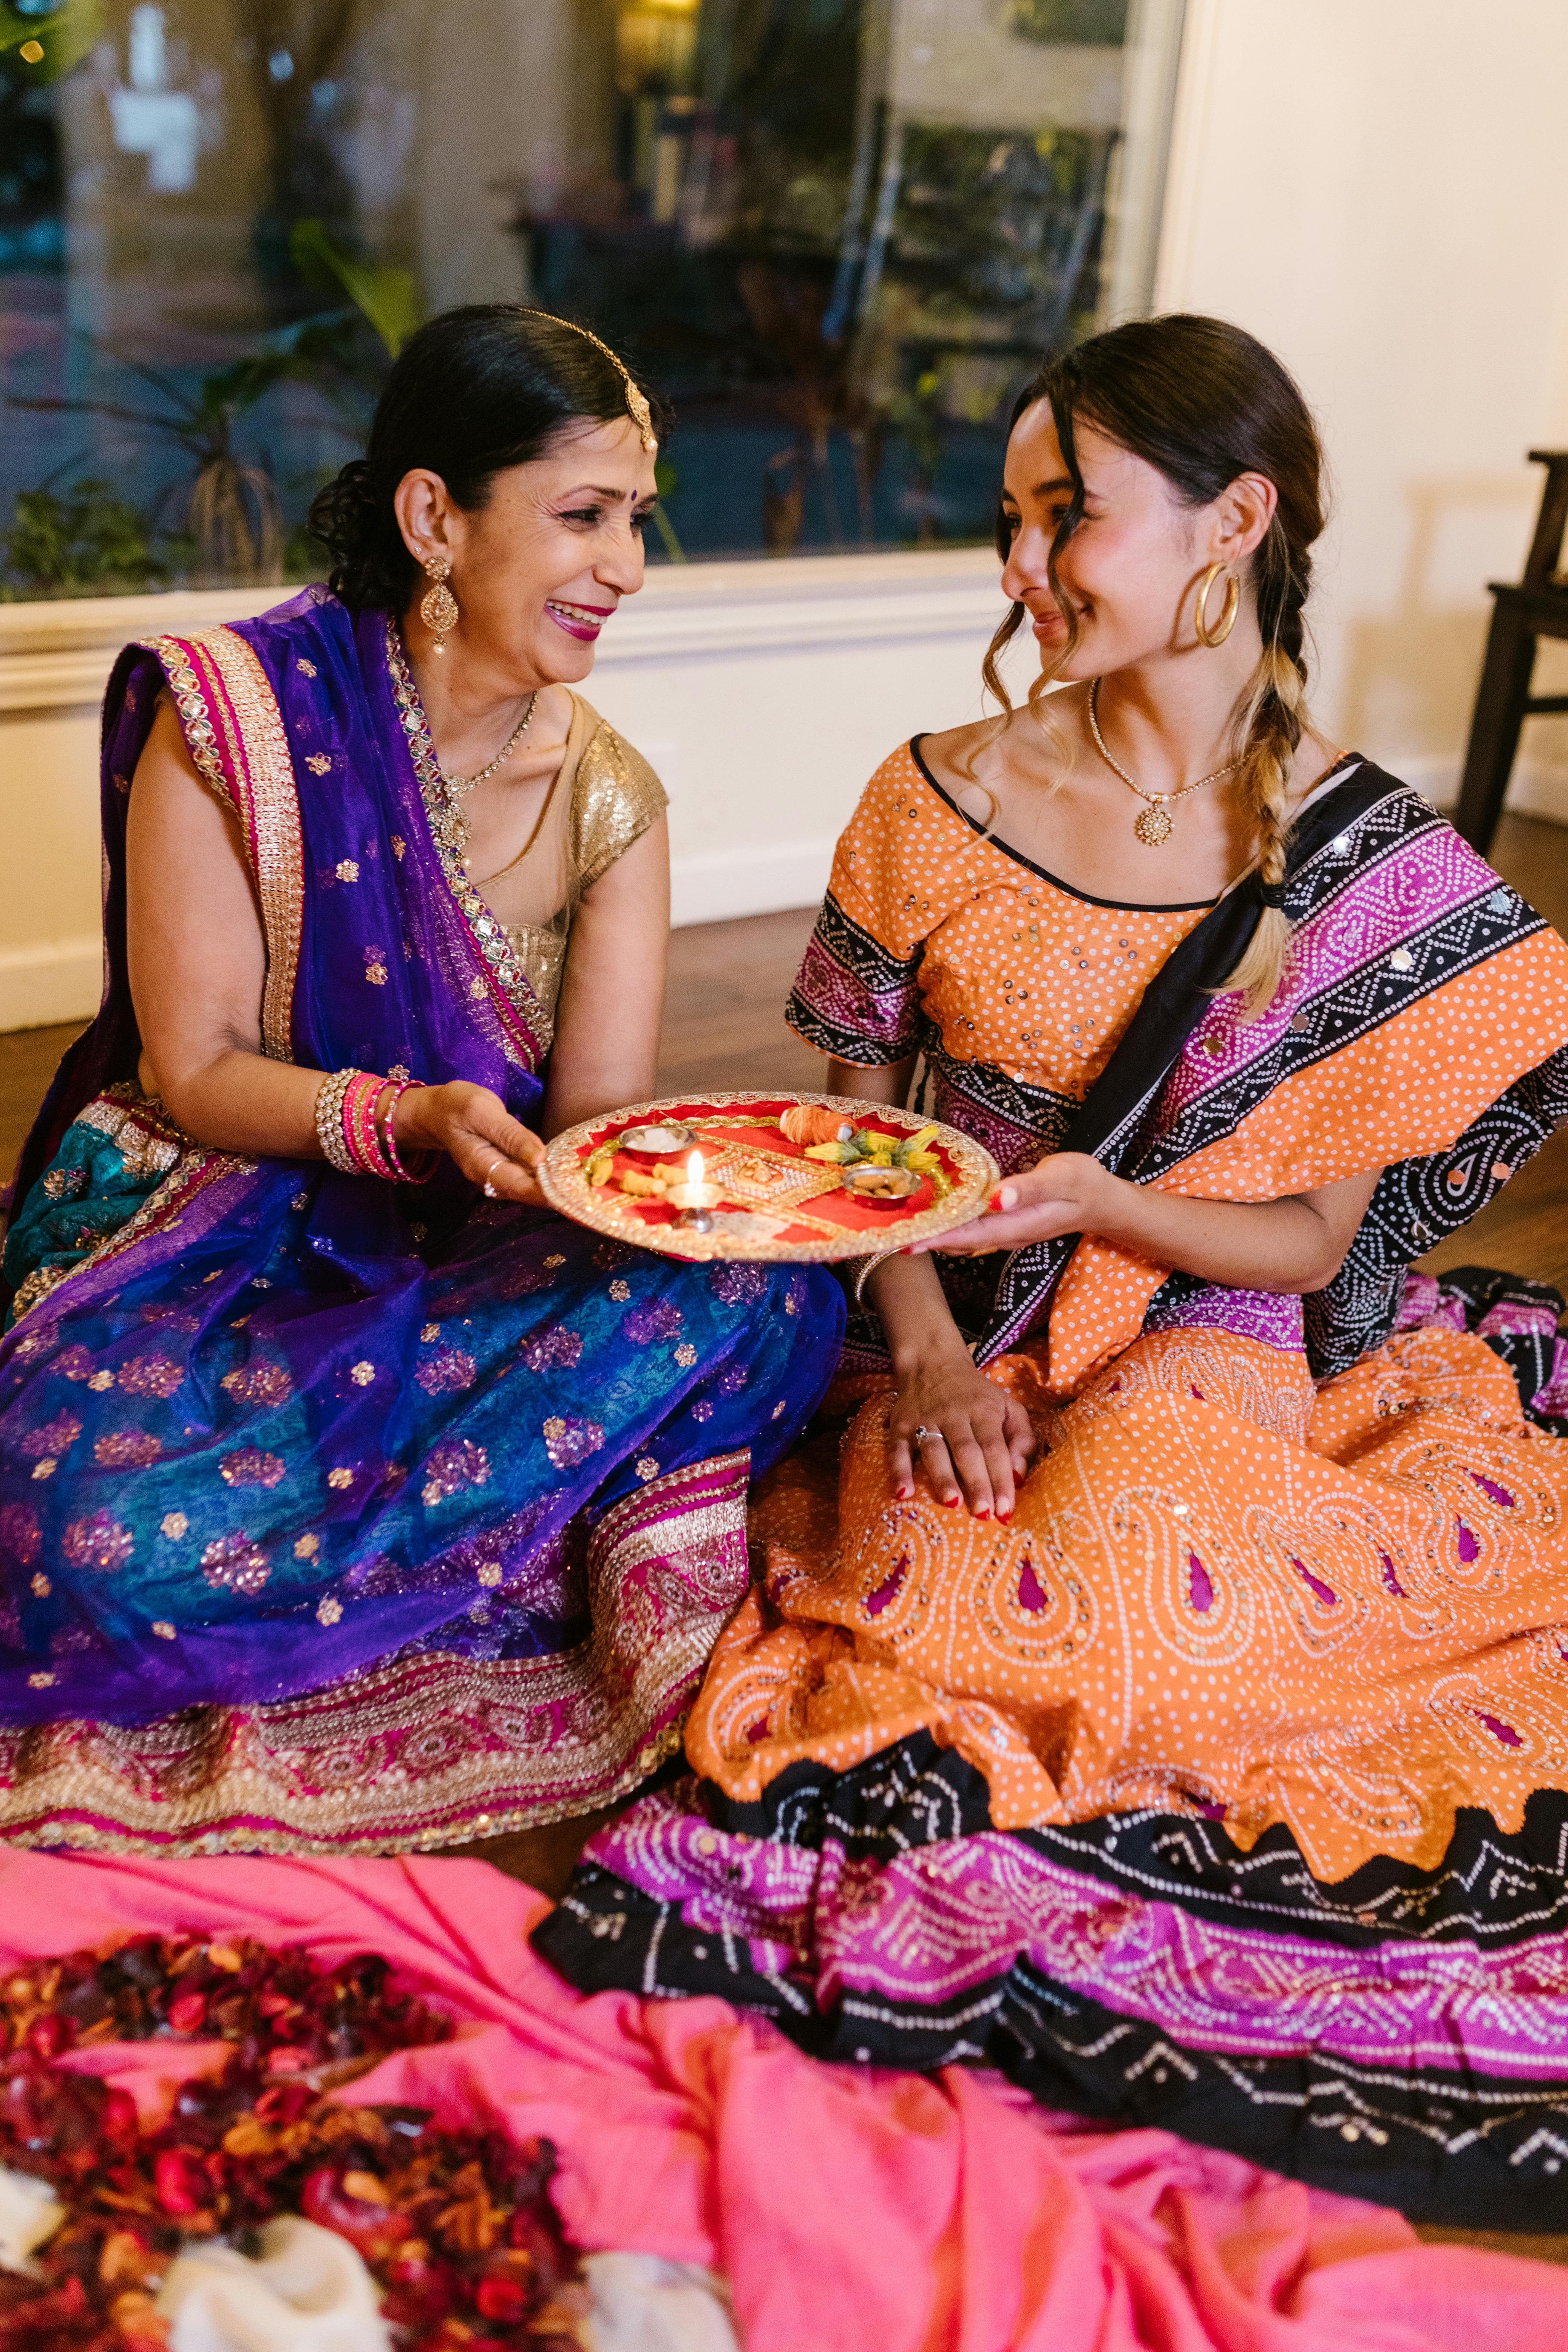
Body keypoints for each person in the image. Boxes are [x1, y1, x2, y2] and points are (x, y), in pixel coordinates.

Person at [539, 315, 1568, 2227]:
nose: (1020, 565)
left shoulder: (1364, 866)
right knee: (942, 1564)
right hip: (948, 1305)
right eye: (1016, 515)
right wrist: (926, 1351)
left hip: (1201, 1316)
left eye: (1068, 514)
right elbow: (851, 1147)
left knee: (1134, 1598)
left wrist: (1102, 1201)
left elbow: (1308, 1242)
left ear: (1232, 523)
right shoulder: (935, 795)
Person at [0, 304, 843, 1854]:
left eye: (636, 524)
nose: (629, 571)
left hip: (460, 1232)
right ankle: (489, 1530)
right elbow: (192, 1071)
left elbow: (593, 1138)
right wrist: (402, 1118)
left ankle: (368, 1532)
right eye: (583, 517)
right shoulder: (235, 717)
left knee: (773, 1300)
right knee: (69, 1524)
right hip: (213, 1214)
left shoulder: (612, 803)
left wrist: (719, 1185)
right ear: (434, 517)